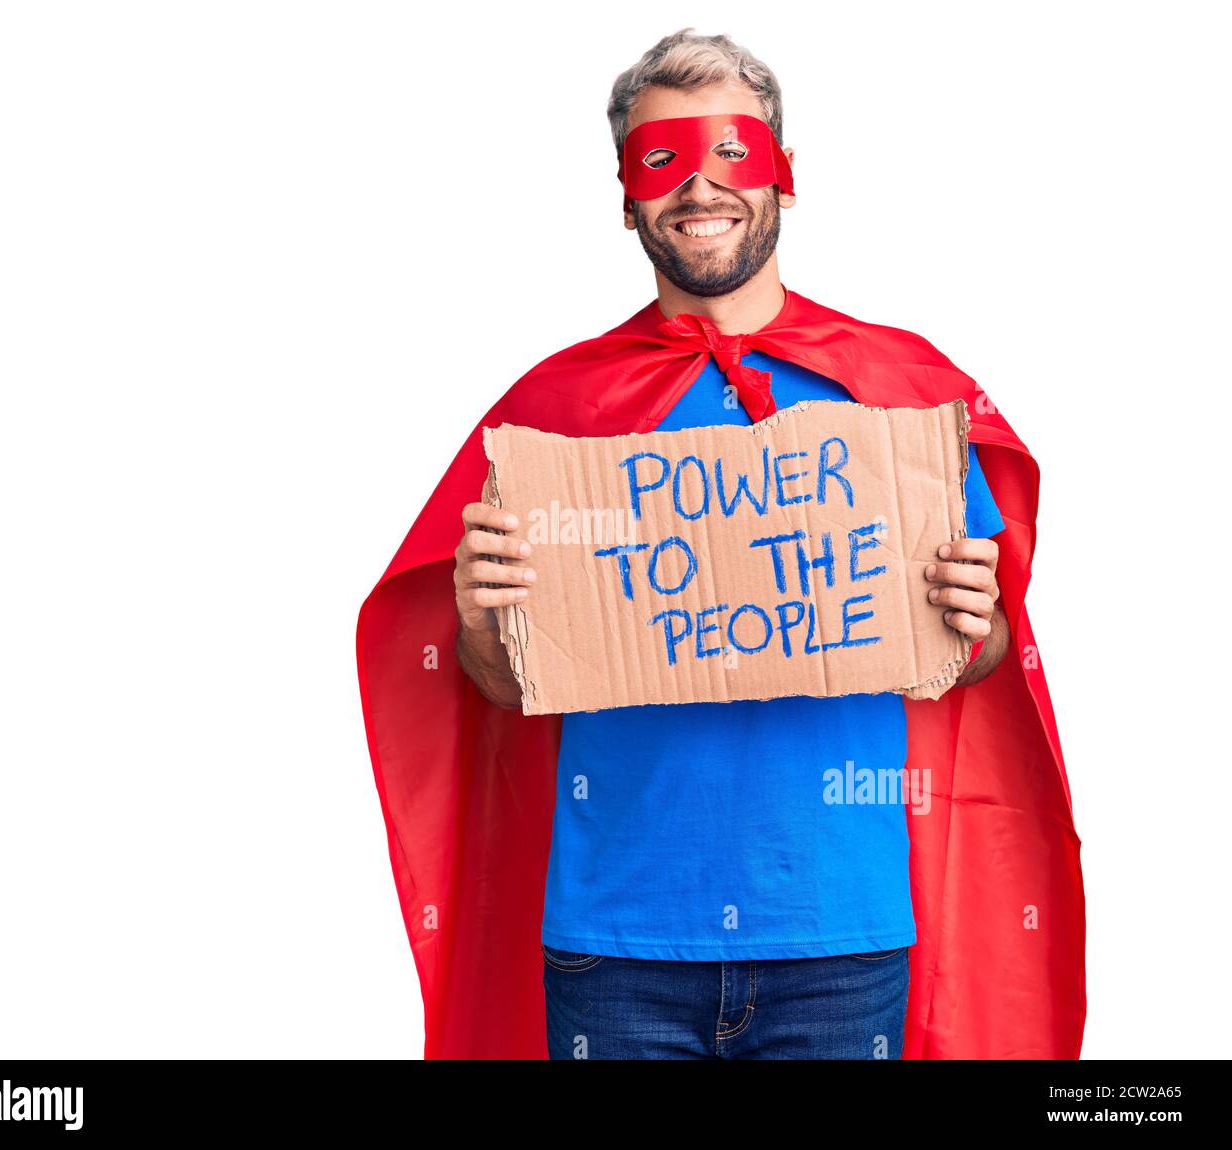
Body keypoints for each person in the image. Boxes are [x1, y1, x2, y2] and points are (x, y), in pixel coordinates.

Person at [356, 28, 1085, 1061]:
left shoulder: (896, 397)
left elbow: (971, 657)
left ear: (783, 177)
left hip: (839, 937)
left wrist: (977, 623)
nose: (699, 186)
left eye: (731, 153)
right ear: (625, 196)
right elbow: (504, 688)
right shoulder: (558, 414)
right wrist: (480, 625)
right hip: (617, 946)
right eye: (661, 160)